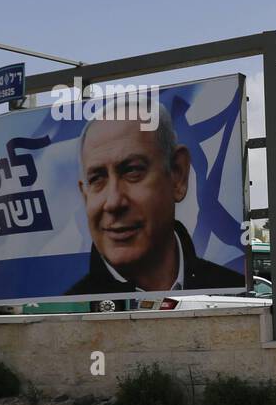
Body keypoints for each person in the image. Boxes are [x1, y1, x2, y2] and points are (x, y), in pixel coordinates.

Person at [65, 110, 243, 296]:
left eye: (132, 171)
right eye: (97, 179)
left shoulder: (232, 294)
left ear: (178, 175)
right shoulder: (66, 310)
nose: (113, 202)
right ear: (85, 196)